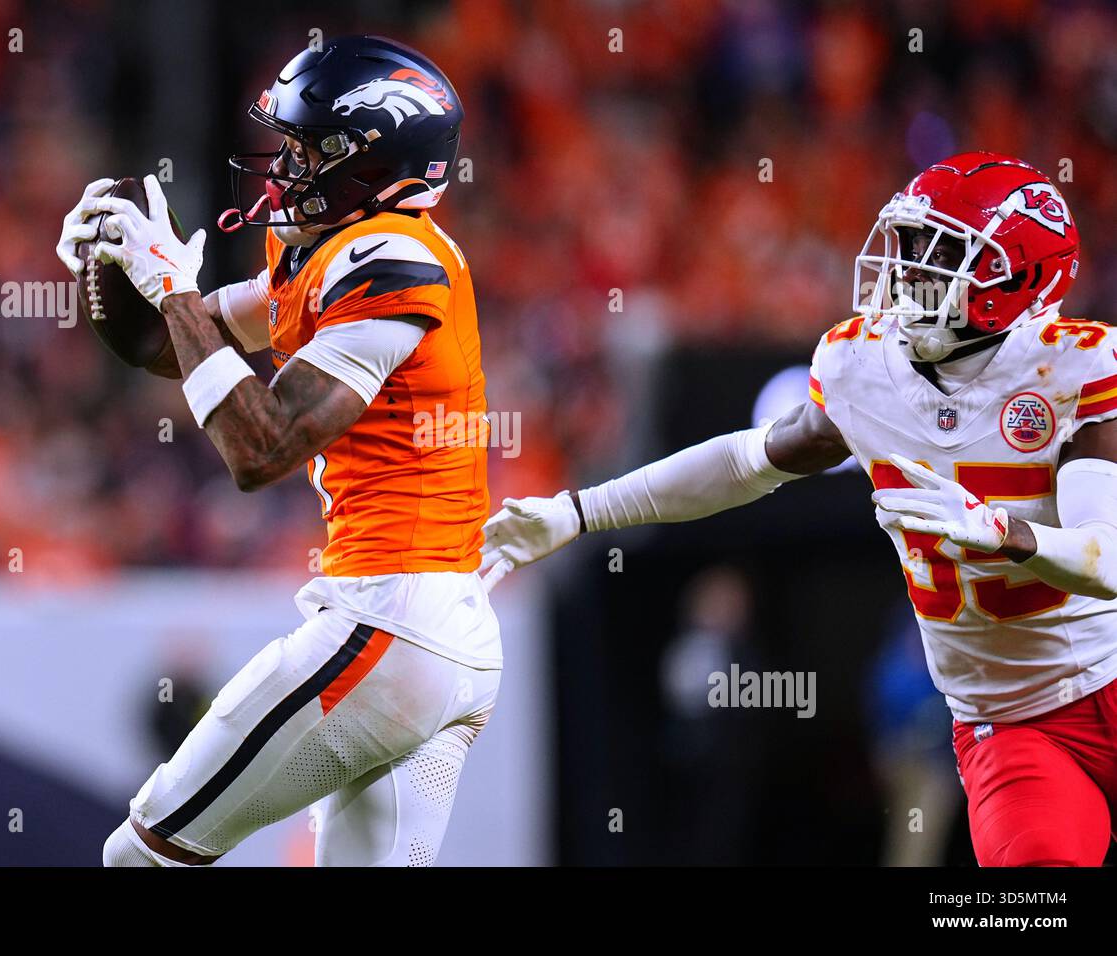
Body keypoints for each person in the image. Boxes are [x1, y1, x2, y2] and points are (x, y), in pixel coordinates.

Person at [481, 152, 1117, 867]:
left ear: (1017, 274)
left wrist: (1003, 531)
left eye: (940, 252)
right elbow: (741, 465)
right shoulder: (864, 370)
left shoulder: (1074, 368)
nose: (908, 270)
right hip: (1010, 723)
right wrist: (581, 511)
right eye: (909, 244)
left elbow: (1107, 562)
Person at [56, 35, 499, 867]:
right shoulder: (339, 254)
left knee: (140, 856)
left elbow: (260, 451)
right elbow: (167, 345)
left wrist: (173, 288)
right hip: (441, 631)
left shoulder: (389, 259)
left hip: (390, 622)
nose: (284, 170)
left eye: (308, 151)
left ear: (375, 162)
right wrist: (108, 266)